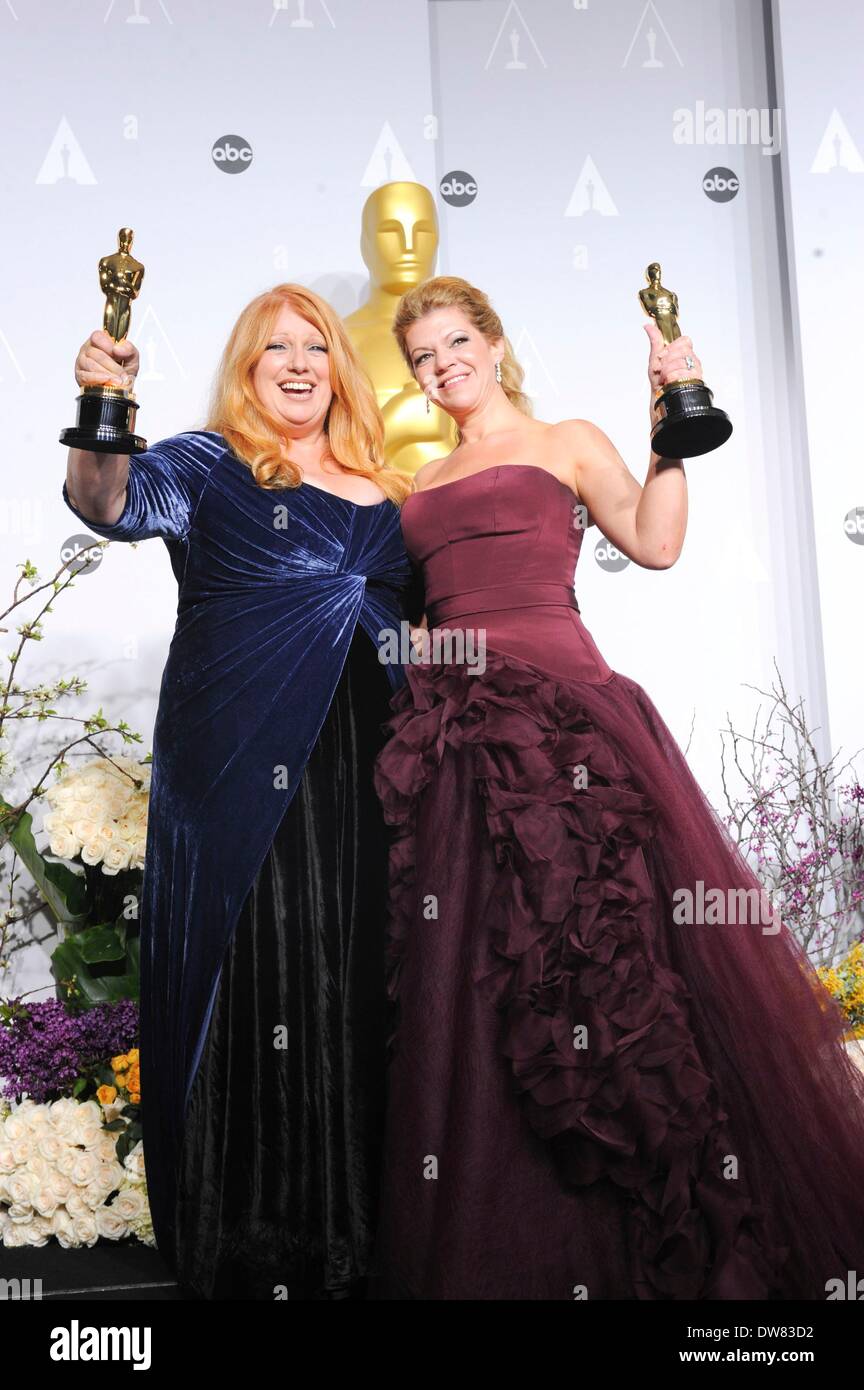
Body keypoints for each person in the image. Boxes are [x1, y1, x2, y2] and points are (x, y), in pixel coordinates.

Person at [368, 274, 864, 1301]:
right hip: (467, 744)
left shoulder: (571, 441)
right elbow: (402, 617)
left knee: (617, 965)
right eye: (423, 356)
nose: (442, 365)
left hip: (570, 717)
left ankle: (676, 1237)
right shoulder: (412, 486)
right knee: (489, 985)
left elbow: (657, 541)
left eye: (457, 341)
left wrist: (667, 427)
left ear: (495, 343)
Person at [63, 284, 413, 1299]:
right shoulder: (207, 463)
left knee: (354, 973)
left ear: (340, 366)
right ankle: (253, 1228)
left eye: (316, 347)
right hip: (237, 772)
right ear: (246, 367)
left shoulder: (386, 486)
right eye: (274, 350)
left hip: (369, 771)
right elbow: (106, 502)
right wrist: (104, 407)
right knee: (258, 969)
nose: (298, 364)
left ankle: (361, 1227)